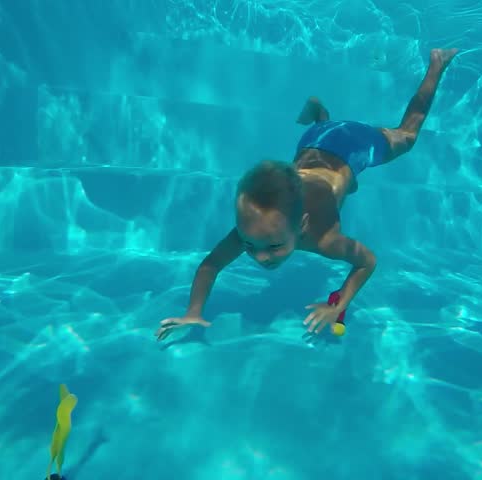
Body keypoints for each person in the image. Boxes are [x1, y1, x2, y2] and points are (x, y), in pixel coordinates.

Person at [156, 48, 458, 341]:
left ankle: (437, 62)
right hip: (312, 143)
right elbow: (210, 266)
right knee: (340, 181)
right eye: (249, 245)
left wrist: (337, 305)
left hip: (353, 144)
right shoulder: (255, 229)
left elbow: (367, 262)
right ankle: (320, 116)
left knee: (407, 136)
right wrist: (193, 312)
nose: (260, 256)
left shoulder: (323, 239)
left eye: (274, 246)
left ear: (302, 225)